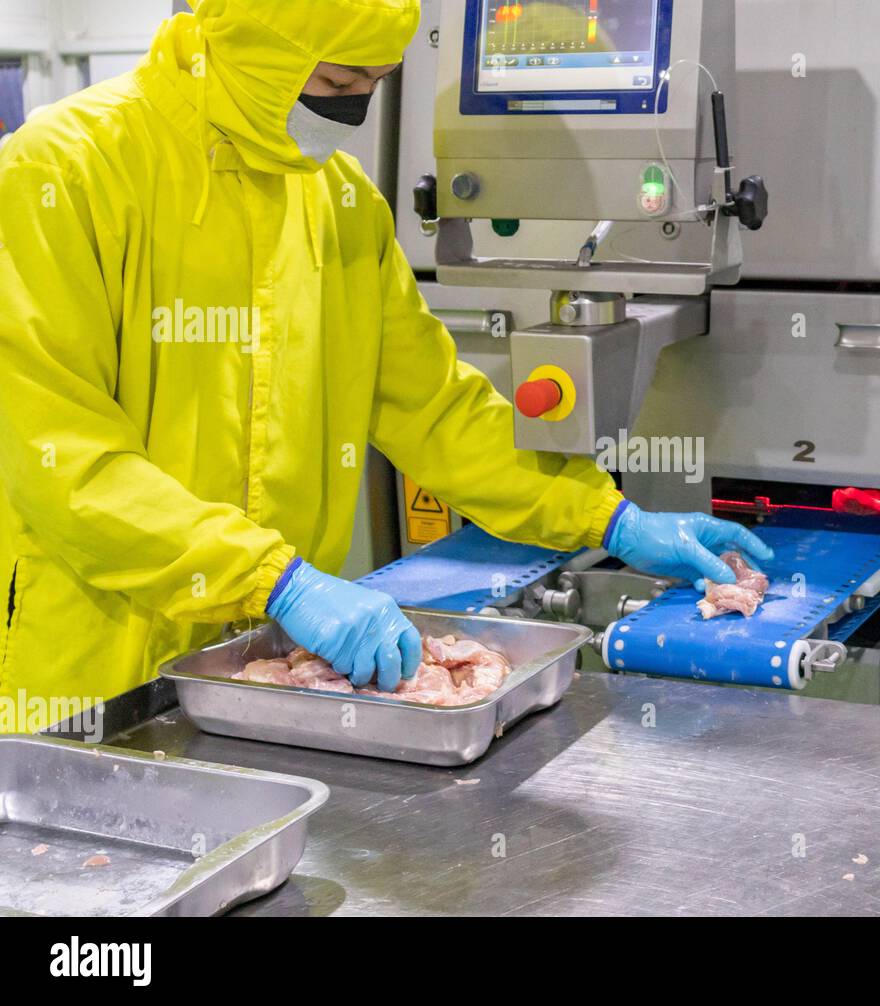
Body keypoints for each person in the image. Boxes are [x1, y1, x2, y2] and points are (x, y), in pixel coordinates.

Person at [0, 0, 770, 730]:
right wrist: (278, 579)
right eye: (336, 84)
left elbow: (434, 410)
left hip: (266, 669)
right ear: (253, 51)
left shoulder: (340, 204)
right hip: (91, 672)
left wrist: (608, 518)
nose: (353, 109)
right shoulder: (64, 173)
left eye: (374, 84)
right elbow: (62, 461)